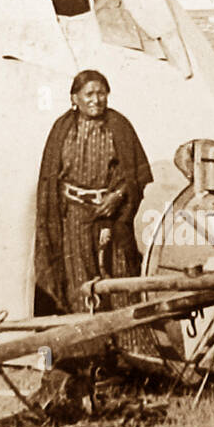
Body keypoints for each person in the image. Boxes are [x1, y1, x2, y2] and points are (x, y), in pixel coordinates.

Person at [34, 71, 152, 337]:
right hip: (74, 216)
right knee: (80, 280)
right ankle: (89, 354)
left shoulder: (119, 126)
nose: (96, 100)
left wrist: (118, 196)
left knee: (119, 279)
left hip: (112, 215)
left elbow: (137, 175)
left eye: (101, 93)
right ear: (74, 98)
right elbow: (52, 179)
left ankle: (129, 350)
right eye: (89, 94)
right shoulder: (62, 130)